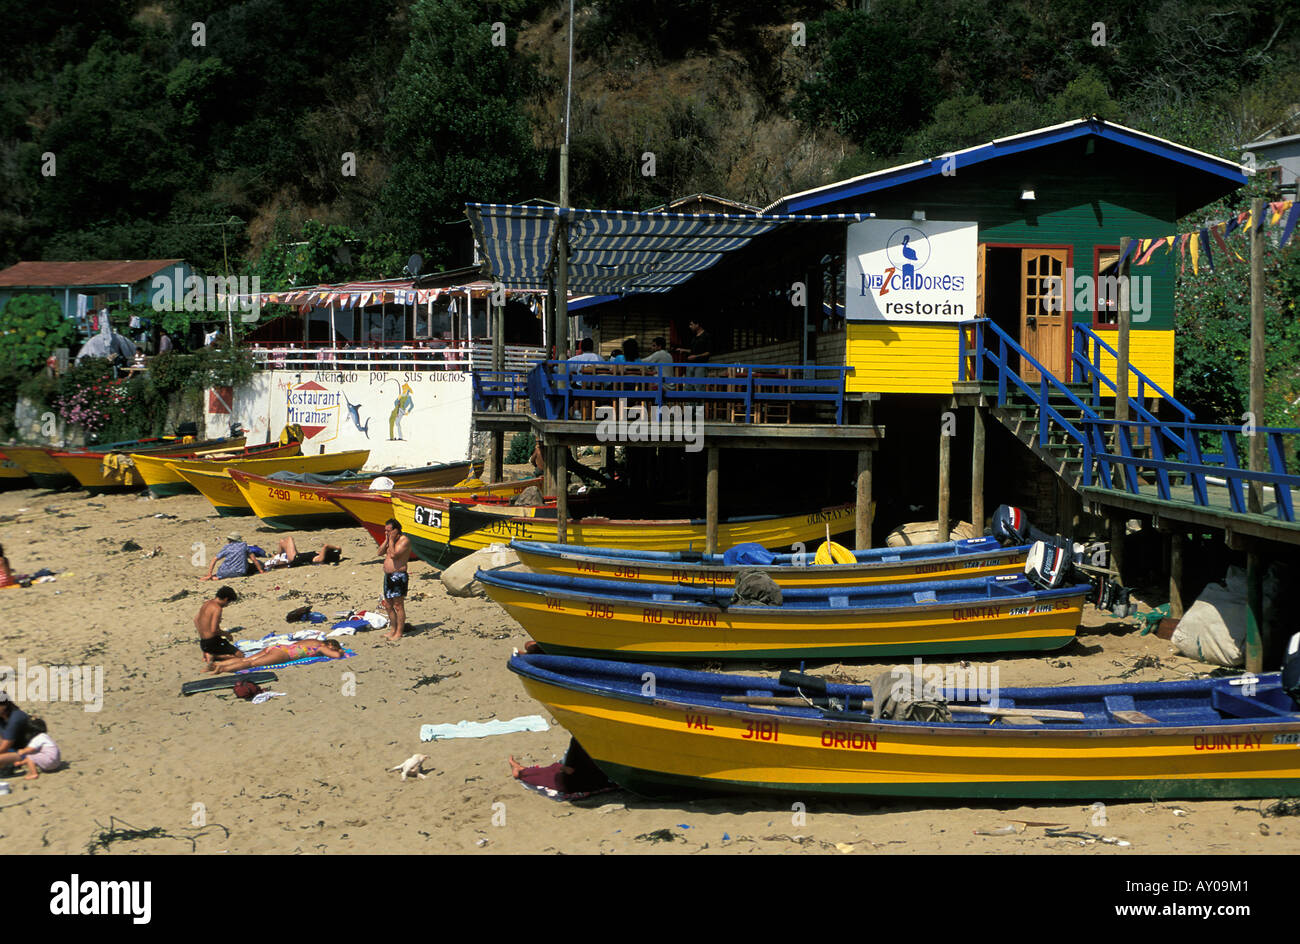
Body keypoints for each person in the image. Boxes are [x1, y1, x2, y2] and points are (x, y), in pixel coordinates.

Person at [204, 638, 345, 675]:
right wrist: (341, 652)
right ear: (330, 644)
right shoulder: (321, 646)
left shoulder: (310, 641)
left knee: (246, 659)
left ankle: (216, 664)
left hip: (278, 647)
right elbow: (336, 656)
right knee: (252, 664)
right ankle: (221, 669)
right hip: (284, 653)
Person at [378, 518, 412, 641]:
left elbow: (394, 555)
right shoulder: (390, 541)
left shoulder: (404, 541)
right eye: (385, 531)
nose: (387, 533)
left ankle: (399, 632)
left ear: (396, 530)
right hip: (388, 576)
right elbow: (379, 552)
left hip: (398, 576)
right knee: (387, 605)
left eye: (389, 531)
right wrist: (387, 540)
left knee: (398, 605)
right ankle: (392, 629)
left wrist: (391, 540)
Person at [195, 586, 240, 663]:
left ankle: (208, 654)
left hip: (203, 642)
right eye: (228, 603)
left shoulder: (207, 603)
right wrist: (227, 634)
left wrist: (204, 633)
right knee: (240, 656)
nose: (226, 605)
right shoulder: (217, 608)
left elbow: (196, 620)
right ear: (226, 599)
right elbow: (214, 629)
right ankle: (213, 656)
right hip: (213, 642)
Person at [200, 533, 265, 580]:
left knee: (224, 571)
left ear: (229, 540)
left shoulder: (226, 547)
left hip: (223, 572)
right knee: (255, 564)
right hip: (240, 572)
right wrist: (261, 571)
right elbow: (254, 560)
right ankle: (216, 577)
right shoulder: (244, 546)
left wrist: (209, 574)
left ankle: (213, 577)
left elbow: (214, 559)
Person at [262, 537, 342, 570]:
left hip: (294, 558)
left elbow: (326, 546)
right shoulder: (319, 555)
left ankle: (277, 555)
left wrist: (337, 548)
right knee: (282, 541)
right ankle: (277, 556)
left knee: (289, 539)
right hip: (297, 556)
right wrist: (338, 551)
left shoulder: (319, 559)